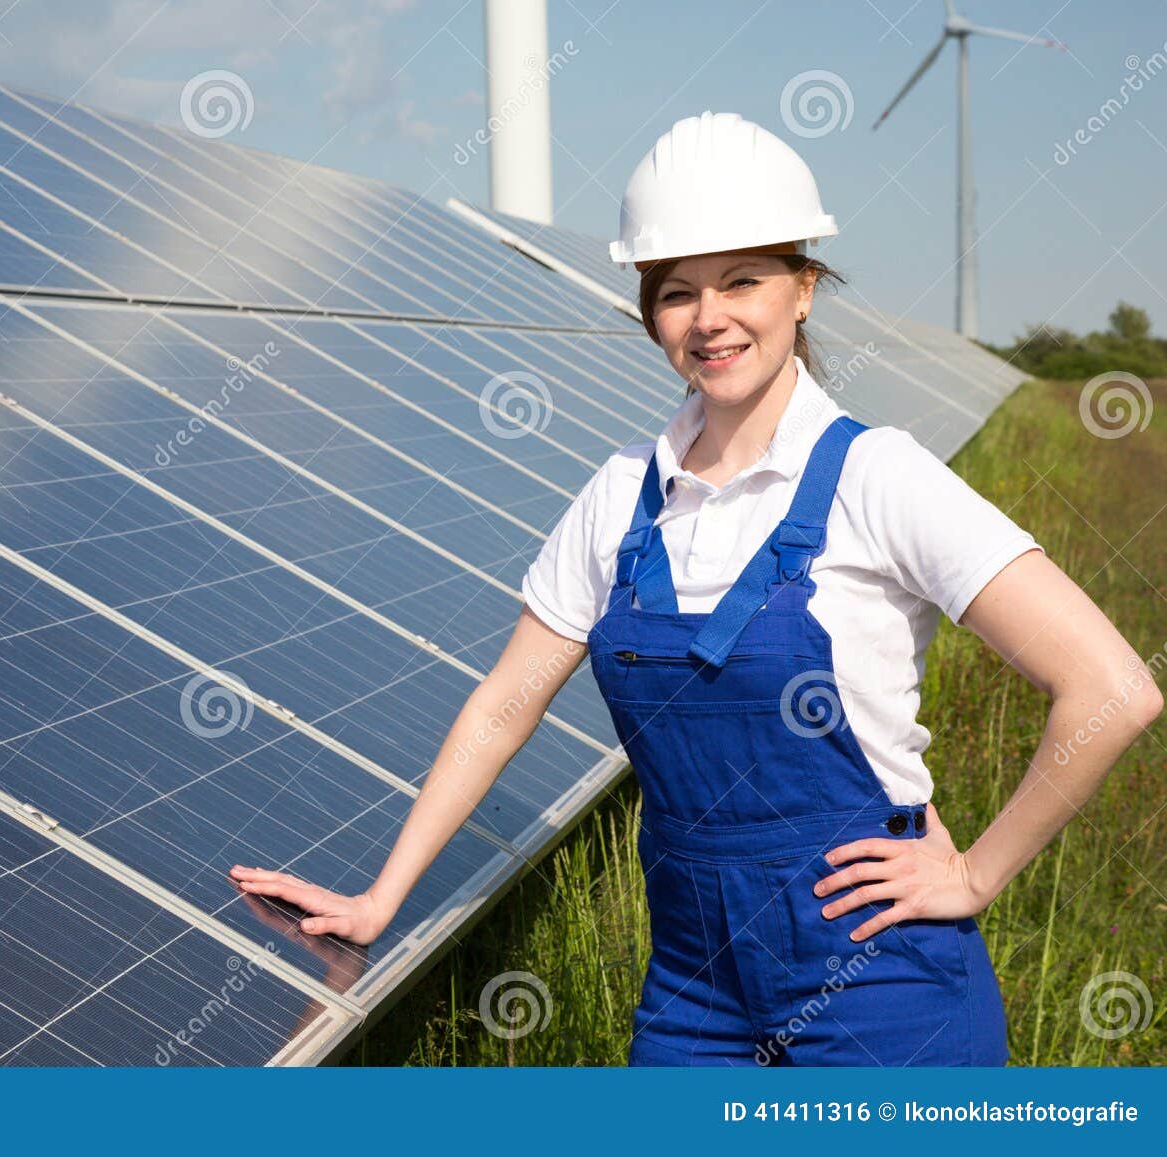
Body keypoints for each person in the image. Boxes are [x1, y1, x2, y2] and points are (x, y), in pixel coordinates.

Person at [228, 111, 1162, 1066]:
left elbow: (1115, 691)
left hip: (876, 977)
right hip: (692, 984)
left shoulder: (881, 476)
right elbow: (505, 704)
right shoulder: (618, 496)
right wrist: (382, 896)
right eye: (677, 292)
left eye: (743, 280)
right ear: (650, 313)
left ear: (804, 290)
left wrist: (972, 874)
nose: (710, 318)